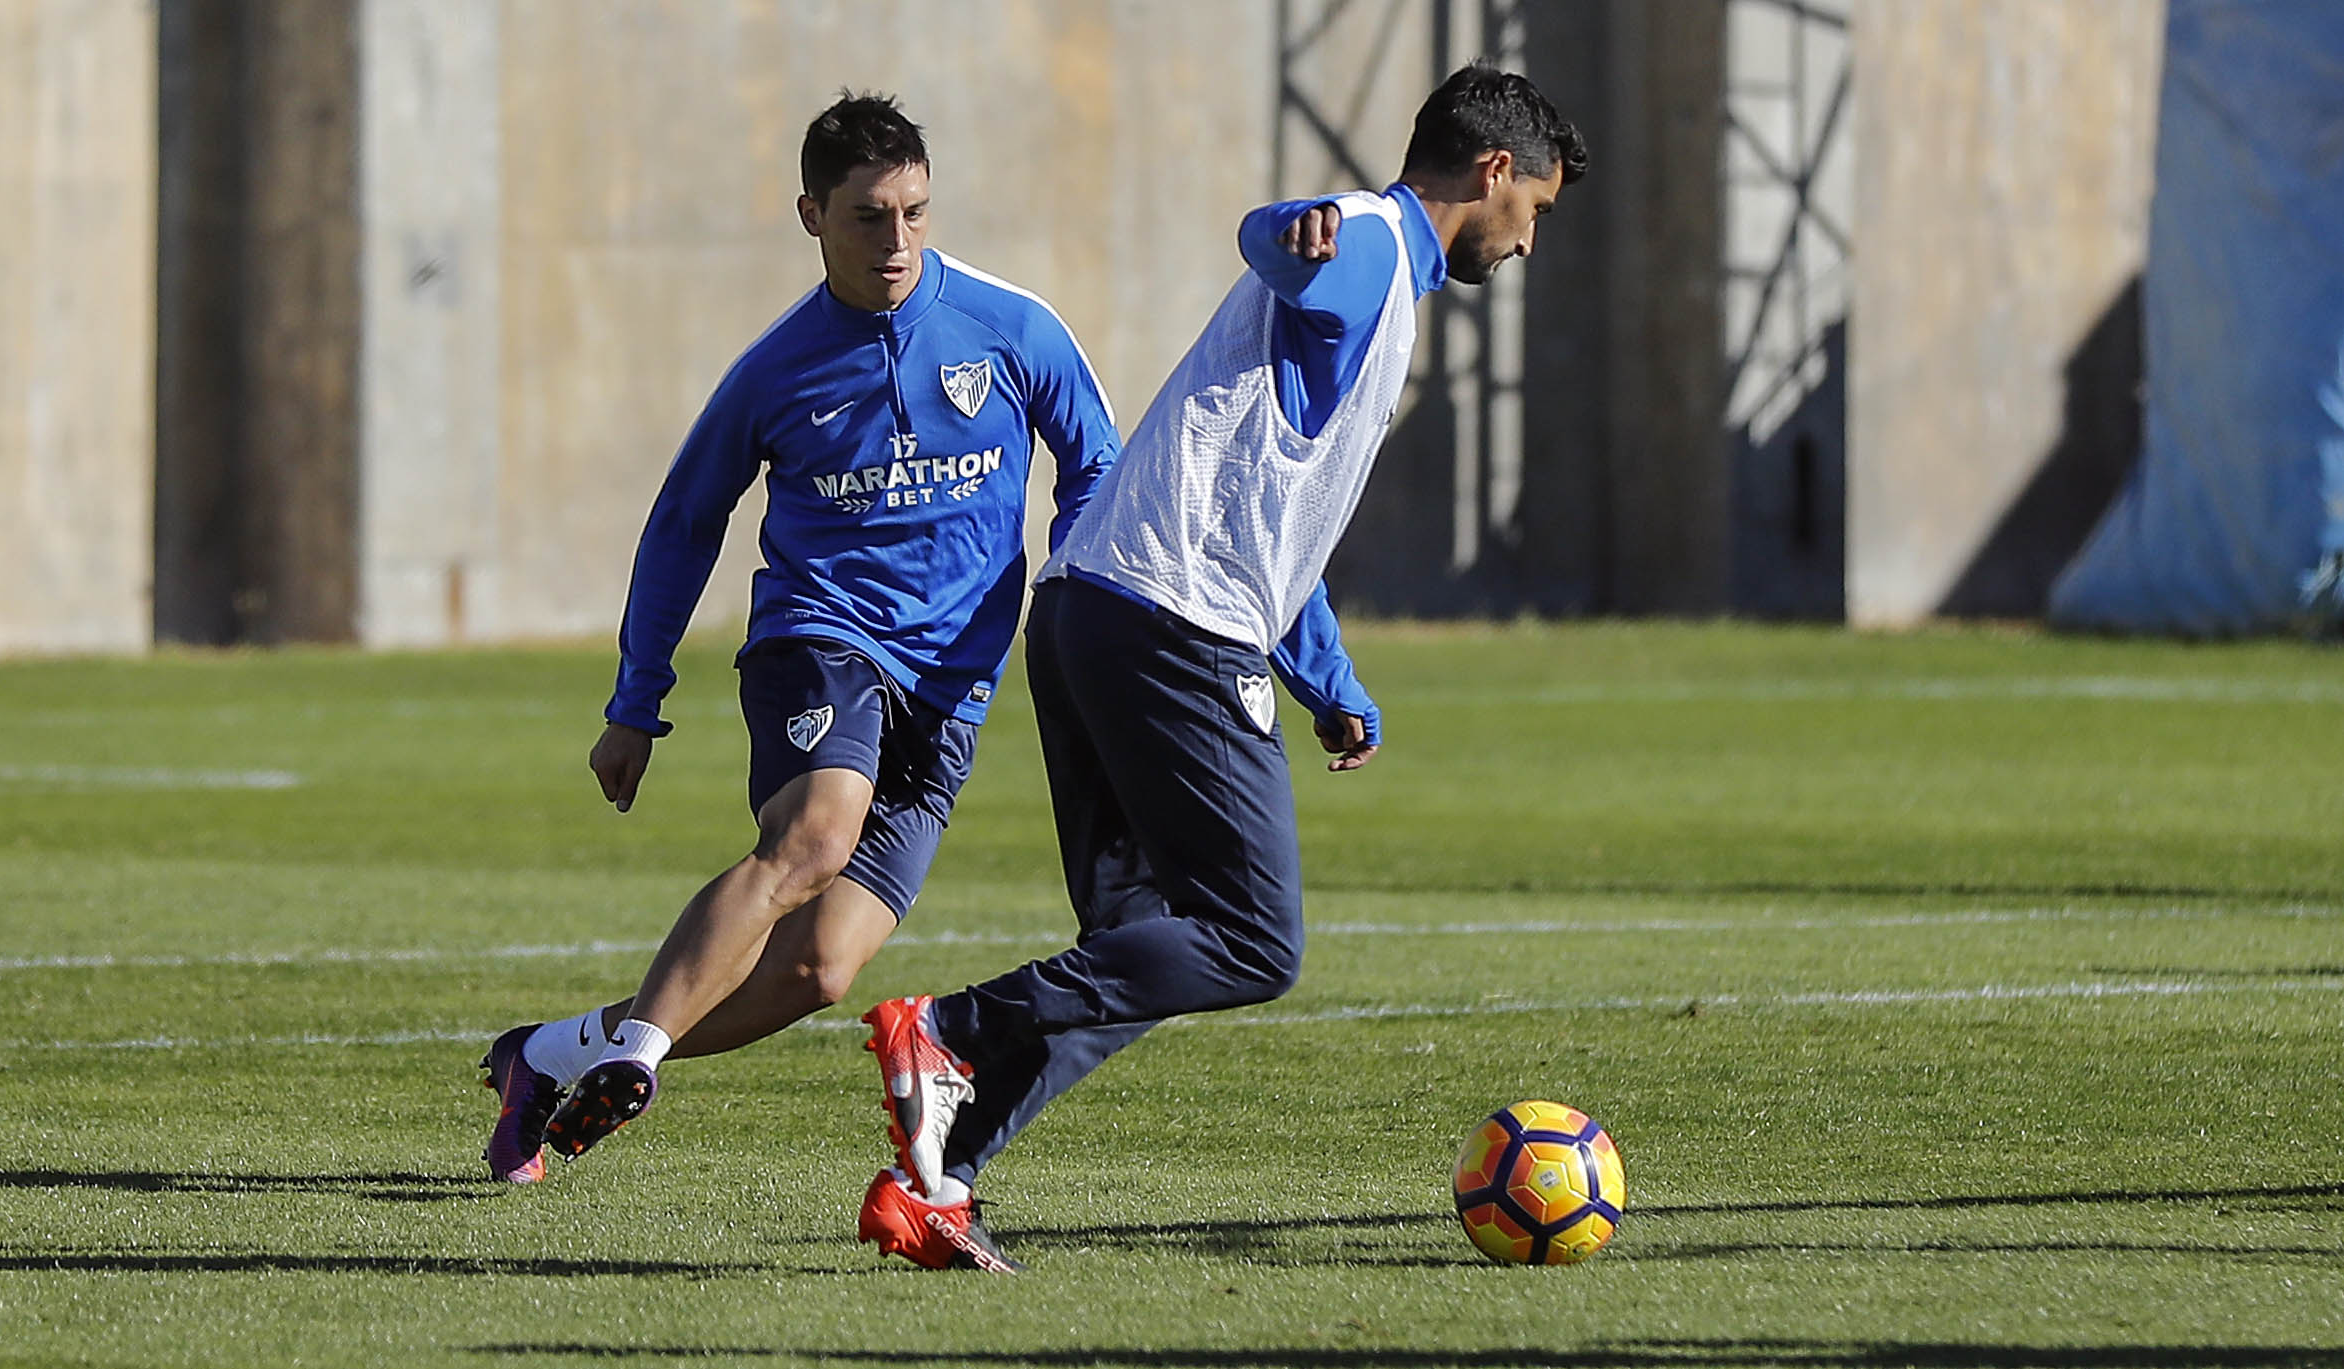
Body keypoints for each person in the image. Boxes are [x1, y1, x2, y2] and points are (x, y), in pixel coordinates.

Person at [855, 63, 1589, 1273]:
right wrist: (1282, 229)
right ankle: (948, 1028)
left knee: (1137, 958)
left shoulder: (1378, 274)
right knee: (1252, 941)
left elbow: (1266, 508)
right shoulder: (1370, 243)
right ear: (1494, 172)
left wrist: (1329, 680)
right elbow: (1282, 244)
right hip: (1167, 626)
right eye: (1537, 214)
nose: (1525, 244)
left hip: (1098, 612)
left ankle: (937, 1178)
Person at [477, 90, 1120, 1187]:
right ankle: (637, 1059)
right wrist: (635, 702)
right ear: (811, 216)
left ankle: (547, 1056)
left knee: (817, 971)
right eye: (870, 217)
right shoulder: (776, 369)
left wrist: (1075, 596)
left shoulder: (1011, 326)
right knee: (816, 838)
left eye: (915, 212)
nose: (898, 242)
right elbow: (684, 524)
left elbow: (1098, 467)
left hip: (953, 693)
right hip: (819, 642)